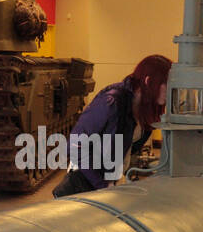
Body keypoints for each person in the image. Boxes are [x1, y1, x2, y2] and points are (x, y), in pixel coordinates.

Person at [53, 54, 171, 197]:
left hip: (111, 178)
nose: (171, 91)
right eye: (168, 84)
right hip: (88, 180)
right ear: (148, 81)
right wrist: (102, 185)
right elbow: (75, 145)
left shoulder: (145, 109)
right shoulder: (112, 102)